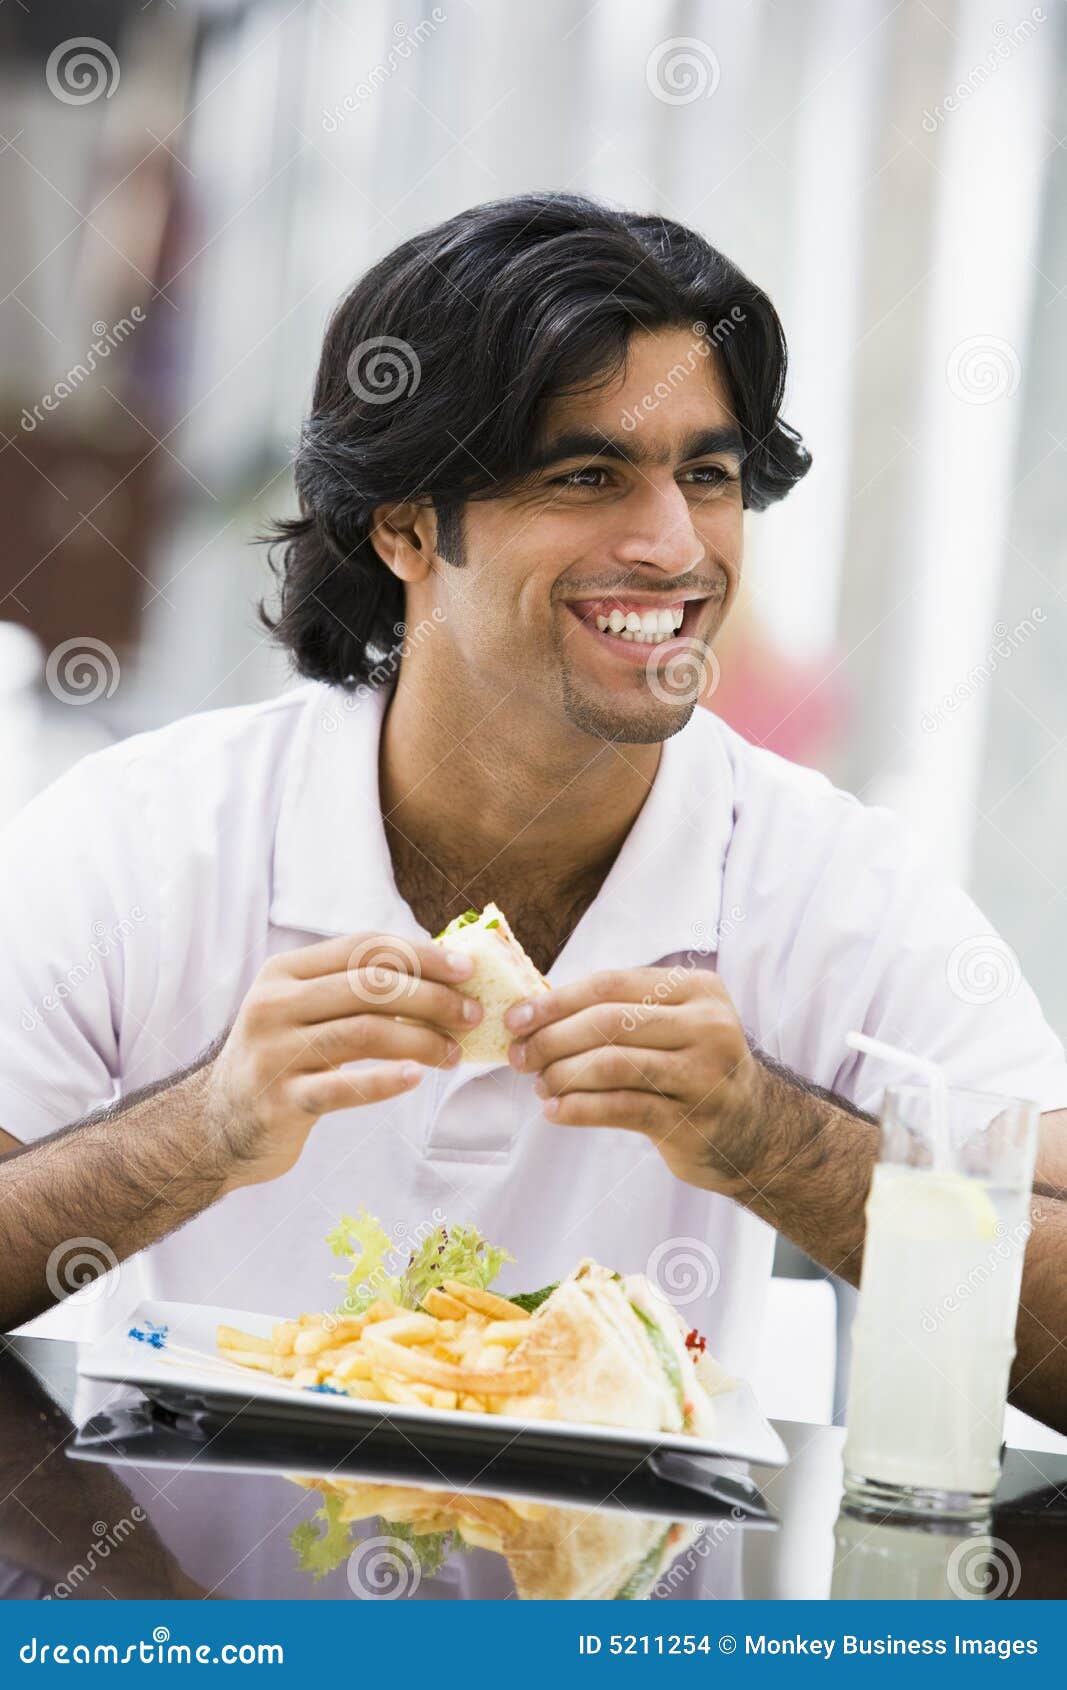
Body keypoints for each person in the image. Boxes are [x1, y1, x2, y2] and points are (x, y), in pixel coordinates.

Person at [1, 194, 1065, 1430]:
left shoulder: (836, 884)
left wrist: (768, 1139)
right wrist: (205, 1126)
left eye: (707, 476)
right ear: (402, 523)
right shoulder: (143, 837)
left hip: (624, 1622)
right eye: (587, 474)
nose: (674, 547)